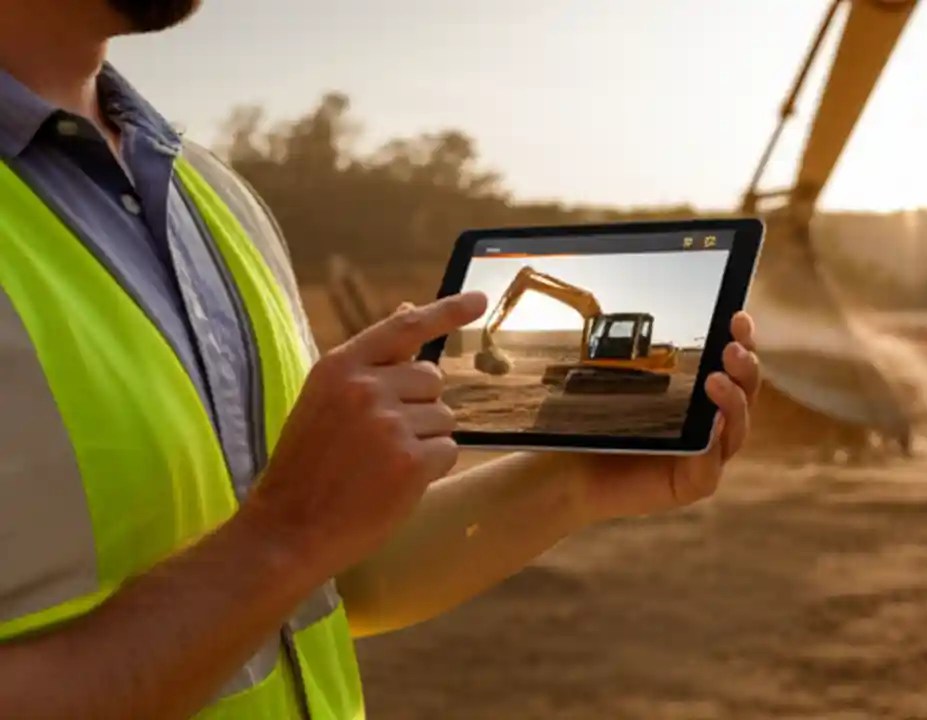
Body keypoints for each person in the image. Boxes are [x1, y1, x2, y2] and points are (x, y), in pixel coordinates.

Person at [0, 1, 761, 718]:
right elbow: (282, 547)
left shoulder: (208, 193)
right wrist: (283, 534)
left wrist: (571, 481)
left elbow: (325, 584)